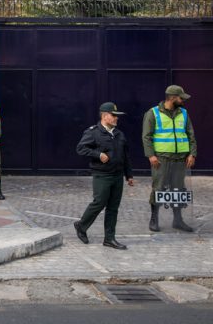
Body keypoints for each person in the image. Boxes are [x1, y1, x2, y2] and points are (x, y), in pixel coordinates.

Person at [73, 102, 134, 250]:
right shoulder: (93, 132)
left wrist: (129, 175)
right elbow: (80, 148)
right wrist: (98, 154)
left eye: (116, 116)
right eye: (114, 116)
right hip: (102, 175)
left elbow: (125, 156)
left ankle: (109, 238)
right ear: (104, 116)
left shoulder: (119, 134)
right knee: (99, 202)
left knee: (113, 207)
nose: (116, 119)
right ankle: (81, 225)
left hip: (118, 175)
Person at [142, 85, 197, 233]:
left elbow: (190, 134)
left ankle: (178, 220)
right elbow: (146, 137)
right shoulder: (153, 113)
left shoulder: (184, 113)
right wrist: (151, 155)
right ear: (172, 98)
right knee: (158, 188)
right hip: (161, 159)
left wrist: (192, 153)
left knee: (178, 189)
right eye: (181, 98)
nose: (183, 101)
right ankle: (154, 218)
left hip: (180, 159)